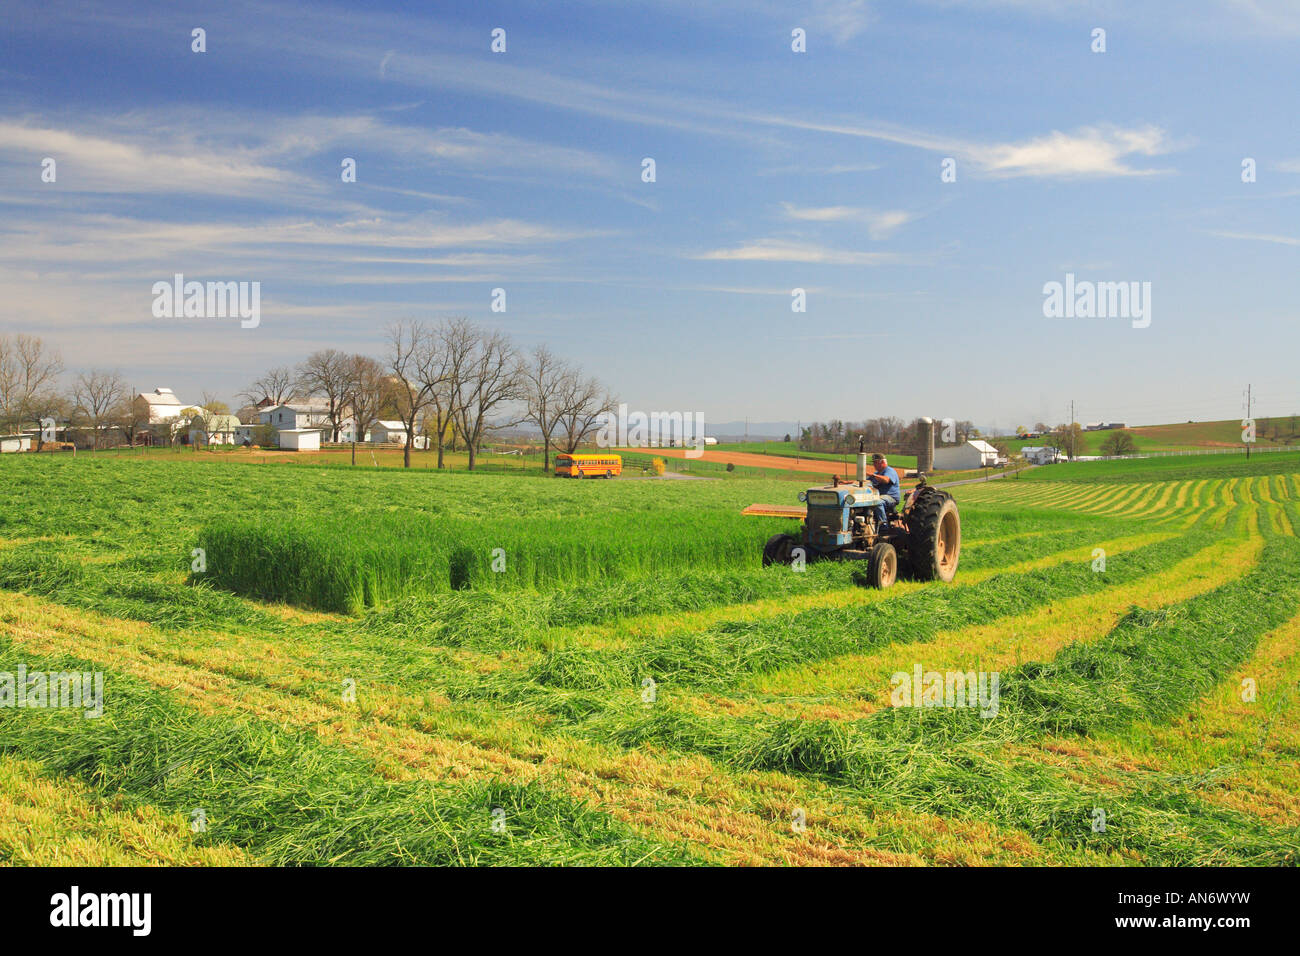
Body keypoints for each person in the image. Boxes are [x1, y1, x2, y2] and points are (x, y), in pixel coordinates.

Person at [864, 453, 900, 527]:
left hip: (891, 498)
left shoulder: (890, 471)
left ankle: (883, 526)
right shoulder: (877, 473)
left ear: (882, 462)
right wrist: (847, 483)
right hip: (880, 496)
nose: (874, 465)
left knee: (877, 502)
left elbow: (886, 480)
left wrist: (873, 475)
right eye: (873, 462)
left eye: (875, 462)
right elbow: (865, 482)